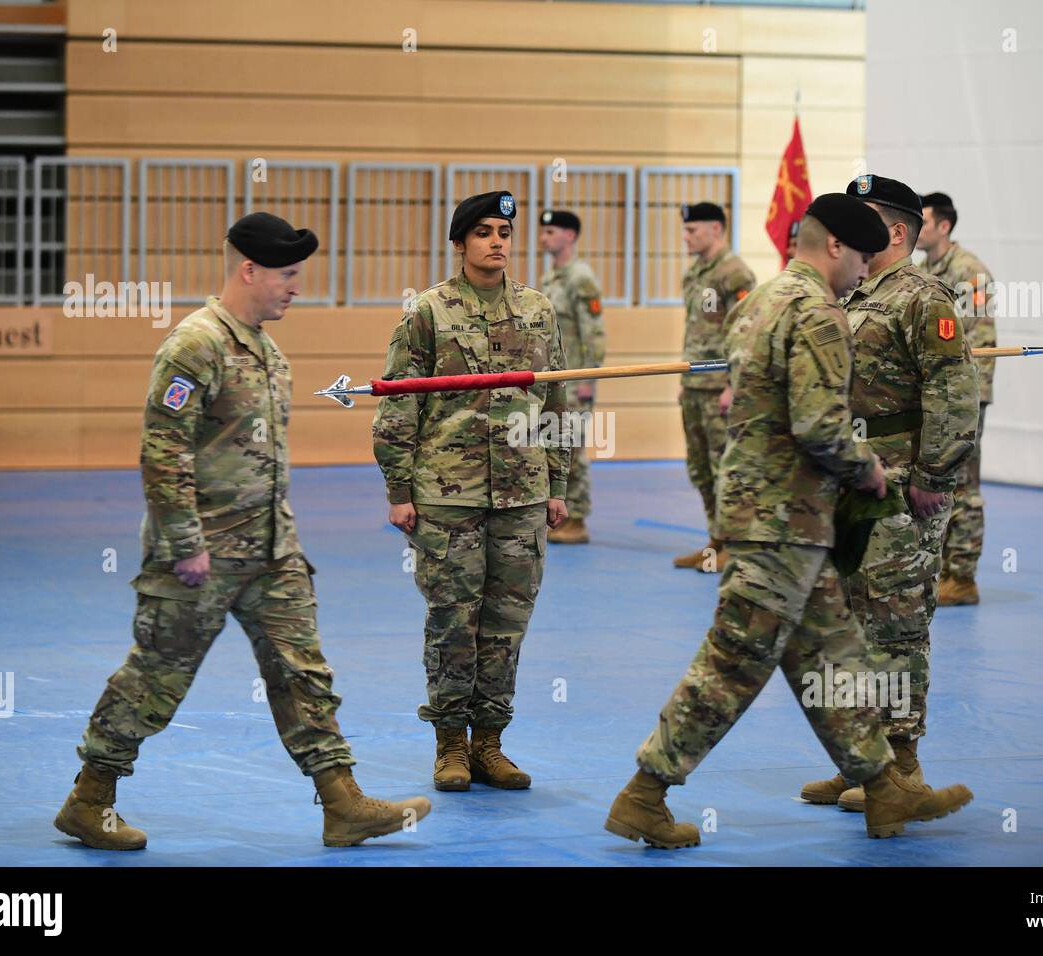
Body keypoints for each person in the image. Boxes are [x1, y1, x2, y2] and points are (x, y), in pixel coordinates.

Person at [604, 194, 973, 847]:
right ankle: (645, 793)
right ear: (835, 246)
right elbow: (820, 424)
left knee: (831, 654)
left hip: (768, 510)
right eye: (860, 258)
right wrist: (870, 471)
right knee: (734, 662)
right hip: (785, 519)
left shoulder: (762, 301)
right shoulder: (817, 311)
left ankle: (886, 788)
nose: (864, 272)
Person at [55, 213, 431, 850]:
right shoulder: (194, 345)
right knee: (155, 681)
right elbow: (163, 450)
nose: (296, 288)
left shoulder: (266, 349)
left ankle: (342, 804)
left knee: (302, 672)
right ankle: (90, 799)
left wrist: (283, 543)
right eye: (287, 275)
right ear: (248, 270)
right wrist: (185, 543)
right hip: (200, 554)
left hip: (270, 551)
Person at [373, 191, 570, 791]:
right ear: (460, 243)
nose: (497, 242)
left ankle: (490, 742)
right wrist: (399, 489)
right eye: (483, 232)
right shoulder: (427, 313)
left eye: (504, 231)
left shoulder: (538, 310)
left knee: (508, 622)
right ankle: (451, 745)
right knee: (453, 620)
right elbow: (398, 404)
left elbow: (555, 401)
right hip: (448, 493)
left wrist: (558, 483)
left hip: (523, 495)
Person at [801, 176, 979, 813]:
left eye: (866, 220)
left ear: (897, 231)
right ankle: (861, 763)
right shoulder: (847, 293)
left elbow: (954, 394)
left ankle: (902, 766)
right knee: (847, 626)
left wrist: (934, 477)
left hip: (903, 485)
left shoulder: (923, 297)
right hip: (850, 482)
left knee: (896, 627)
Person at [916, 192, 998, 605]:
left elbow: (980, 343)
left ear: (944, 226)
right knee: (938, 480)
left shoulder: (969, 274)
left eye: (924, 221)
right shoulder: (924, 270)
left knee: (963, 483)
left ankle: (963, 576)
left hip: (962, 397)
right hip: (933, 397)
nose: (918, 229)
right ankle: (943, 568)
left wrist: (966, 402)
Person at [673, 202, 757, 572]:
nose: (686, 236)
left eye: (693, 230)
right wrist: (684, 381)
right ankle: (715, 540)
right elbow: (696, 330)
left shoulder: (735, 273)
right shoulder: (694, 273)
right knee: (701, 469)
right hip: (695, 385)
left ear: (716, 230)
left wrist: (733, 385)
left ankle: (734, 545)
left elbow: (747, 332)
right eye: (686, 230)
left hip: (720, 388)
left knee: (726, 468)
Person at [538, 209, 605, 545]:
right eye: (543, 231)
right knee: (553, 445)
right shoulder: (551, 279)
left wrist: (586, 381)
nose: (544, 238)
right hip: (553, 381)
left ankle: (577, 519)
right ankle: (560, 514)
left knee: (573, 450)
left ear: (570, 236)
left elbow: (593, 333)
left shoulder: (581, 278)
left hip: (575, 381)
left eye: (551, 232)